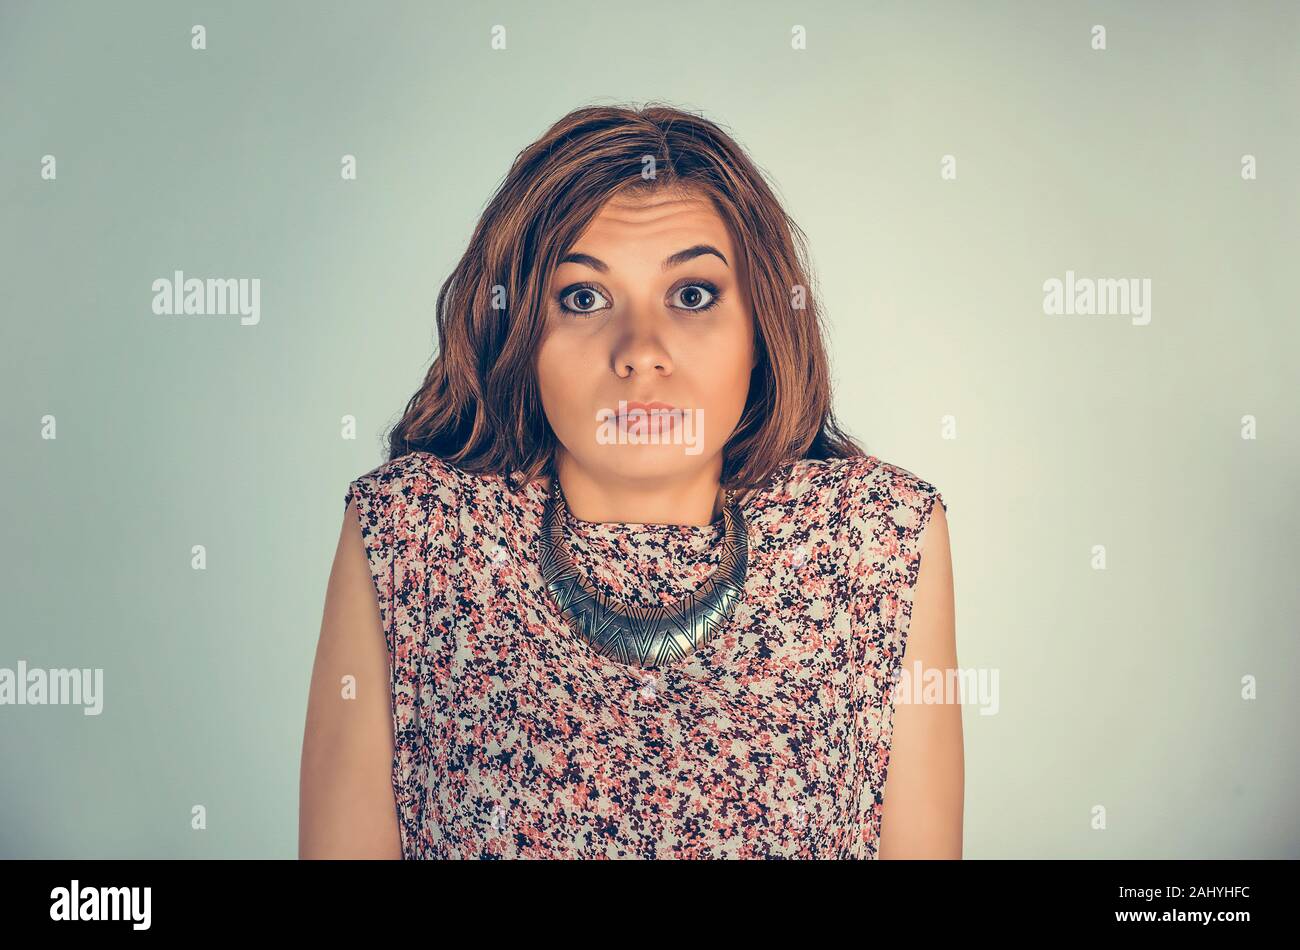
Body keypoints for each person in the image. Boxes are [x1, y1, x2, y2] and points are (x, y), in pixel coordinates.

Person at [299, 103, 962, 859]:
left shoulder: (880, 537)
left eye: (692, 296)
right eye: (583, 298)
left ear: (761, 331)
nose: (641, 352)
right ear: (521, 334)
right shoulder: (411, 532)